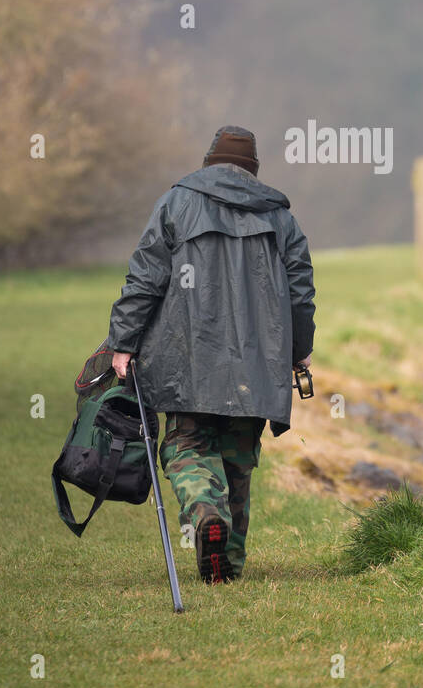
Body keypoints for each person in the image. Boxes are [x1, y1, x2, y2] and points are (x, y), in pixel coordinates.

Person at [107, 125, 315, 584]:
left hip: (188, 359)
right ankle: (228, 566)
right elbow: (300, 291)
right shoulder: (280, 217)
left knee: (185, 445)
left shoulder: (176, 202)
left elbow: (145, 276)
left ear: (209, 162)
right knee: (238, 461)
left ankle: (205, 513)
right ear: (253, 169)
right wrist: (299, 352)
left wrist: (124, 341)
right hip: (257, 365)